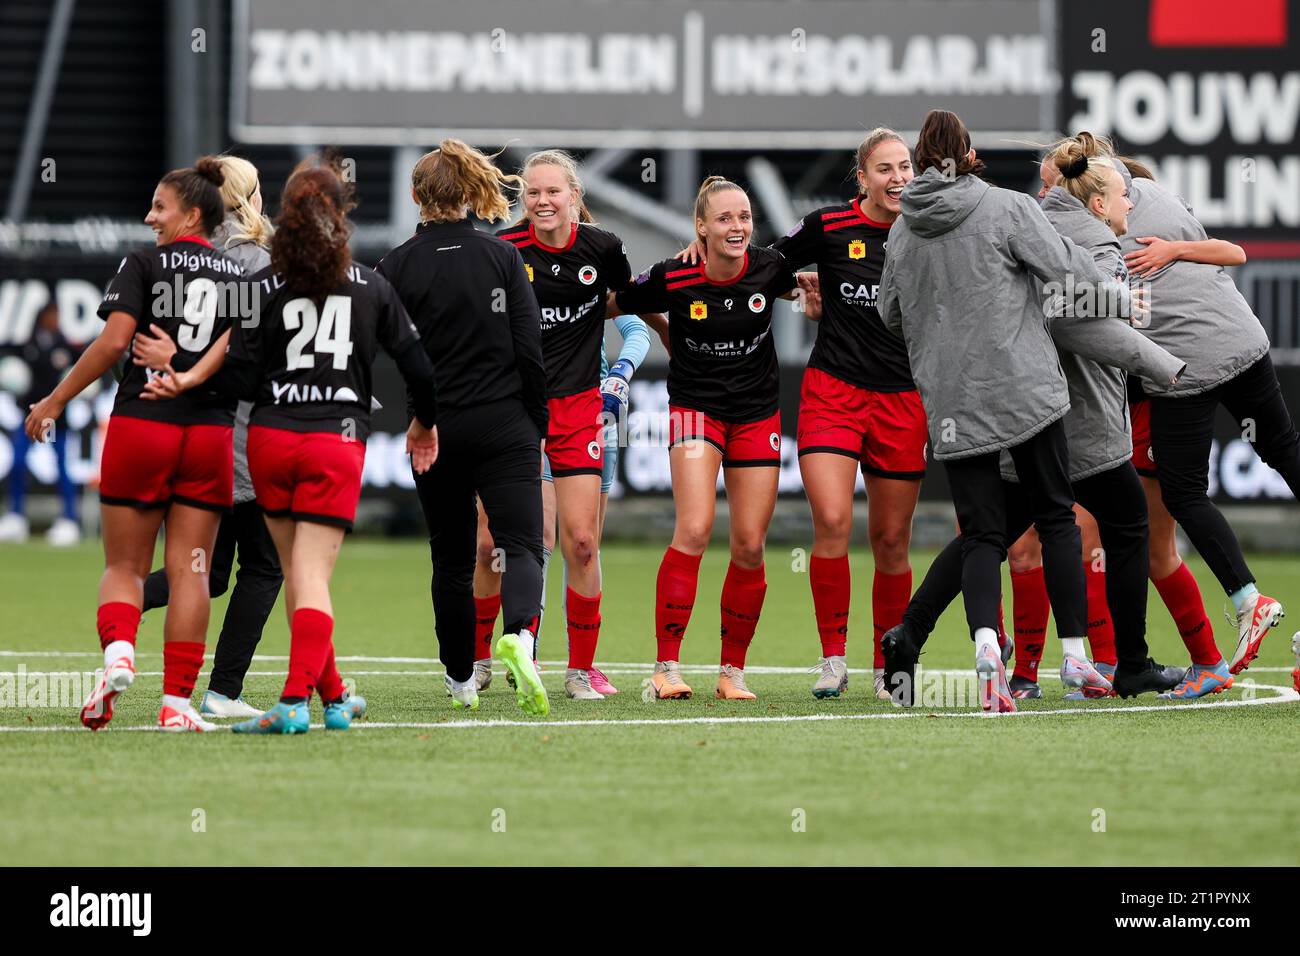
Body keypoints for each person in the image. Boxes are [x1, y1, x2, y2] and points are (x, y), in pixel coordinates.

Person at [882, 133, 1188, 704]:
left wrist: (946, 338)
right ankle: (1113, 662)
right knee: (1099, 523)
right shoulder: (1035, 220)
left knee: (986, 534)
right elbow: (1078, 313)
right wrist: (1159, 354)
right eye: (1124, 194)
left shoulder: (907, 228)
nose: (1130, 204)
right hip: (1053, 408)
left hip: (967, 403)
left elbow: (893, 314)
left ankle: (918, 631)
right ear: (1090, 194)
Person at [144, 156, 440, 734]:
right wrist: (424, 423)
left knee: (296, 573)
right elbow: (419, 368)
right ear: (341, 212)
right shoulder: (370, 285)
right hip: (337, 438)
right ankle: (294, 702)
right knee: (309, 577)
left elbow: (236, 373)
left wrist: (185, 374)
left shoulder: (261, 284)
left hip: (270, 438)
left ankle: (331, 697)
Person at [677, 128, 924, 701]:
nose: (898, 179)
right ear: (861, 178)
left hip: (904, 399)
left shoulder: (928, 230)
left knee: (891, 541)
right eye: (884, 169)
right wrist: (702, 252)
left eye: (905, 168)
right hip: (833, 393)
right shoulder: (828, 227)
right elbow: (759, 265)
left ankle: (890, 668)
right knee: (834, 522)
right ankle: (832, 660)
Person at [1006, 148, 1248, 701]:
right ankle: (1041, 671)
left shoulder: (1116, 232)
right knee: (1038, 540)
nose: (1045, 197)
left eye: (1052, 187)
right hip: (1093, 404)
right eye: (1043, 188)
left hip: (1137, 403)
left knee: (1124, 539)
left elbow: (1095, 318)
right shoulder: (1062, 235)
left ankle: (1160, 661)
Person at [25, 157, 242, 732]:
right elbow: (243, 359)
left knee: (124, 564)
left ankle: (120, 653)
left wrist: (54, 401)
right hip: (209, 434)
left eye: (159, 207)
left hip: (143, 426)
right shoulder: (239, 278)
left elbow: (112, 342)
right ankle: (177, 706)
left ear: (191, 212)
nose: (150, 217)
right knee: (193, 569)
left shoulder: (144, 263)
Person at [468, 149, 659, 701]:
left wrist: (679, 297)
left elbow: (633, 301)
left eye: (554, 191)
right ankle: (481, 659)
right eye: (533, 193)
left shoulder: (602, 249)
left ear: (576, 196)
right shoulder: (504, 251)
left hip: (578, 413)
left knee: (580, 541)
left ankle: (580, 669)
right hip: (512, 412)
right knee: (489, 545)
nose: (543, 201)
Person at [375, 139, 550, 715]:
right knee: (522, 545)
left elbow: (387, 355)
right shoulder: (502, 257)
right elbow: (530, 346)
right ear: (472, 191)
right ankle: (521, 637)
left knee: (450, 558)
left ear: (415, 196)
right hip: (505, 421)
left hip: (438, 429)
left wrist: (416, 418)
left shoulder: (394, 266)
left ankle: (458, 680)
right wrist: (536, 419)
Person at [616, 176, 799, 701]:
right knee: (694, 529)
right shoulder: (675, 274)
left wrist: (813, 292)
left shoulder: (770, 267)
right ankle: (665, 667)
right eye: (723, 219)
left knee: (749, 544)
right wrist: (665, 329)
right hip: (696, 412)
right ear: (701, 227)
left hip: (757, 415)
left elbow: (807, 285)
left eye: (743, 217)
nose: (737, 227)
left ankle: (731, 673)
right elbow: (620, 298)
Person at [132, 155, 283, 719]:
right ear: (251, 197)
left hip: (185, 427)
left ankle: (122, 607)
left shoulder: (177, 257)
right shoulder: (261, 262)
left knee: (207, 571)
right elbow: (266, 348)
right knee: (264, 565)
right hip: (251, 433)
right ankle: (224, 690)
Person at [472, 312, 651, 697]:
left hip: (598, 416)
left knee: (585, 546)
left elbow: (637, 330)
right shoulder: (518, 265)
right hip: (532, 411)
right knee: (536, 538)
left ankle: (581, 668)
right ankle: (520, 651)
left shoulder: (593, 261)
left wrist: (619, 373)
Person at [0, 302, 82, 546]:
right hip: (30, 417)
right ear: (42, 317)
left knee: (62, 467)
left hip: (55, 421)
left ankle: (69, 520)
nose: (55, 319)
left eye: (57, 315)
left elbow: (85, 367)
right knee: (17, 461)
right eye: (51, 315)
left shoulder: (66, 346)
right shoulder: (27, 345)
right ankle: (15, 516)